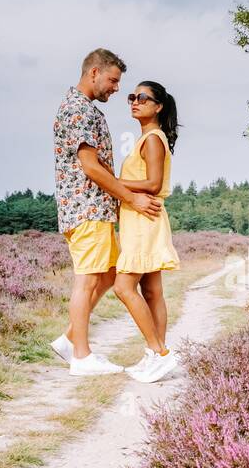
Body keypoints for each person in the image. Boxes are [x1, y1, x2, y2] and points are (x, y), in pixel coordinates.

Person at [49, 48, 162, 376]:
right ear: (93, 73)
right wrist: (133, 198)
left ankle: (71, 339)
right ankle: (82, 357)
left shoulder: (84, 109)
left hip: (95, 209)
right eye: (113, 81)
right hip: (87, 208)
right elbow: (91, 168)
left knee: (110, 273)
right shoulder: (78, 110)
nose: (116, 88)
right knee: (86, 281)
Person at [113, 81, 181, 383]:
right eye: (132, 97)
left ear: (158, 106)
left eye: (142, 98)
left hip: (143, 221)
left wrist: (114, 181)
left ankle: (161, 353)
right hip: (142, 219)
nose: (134, 102)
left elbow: (153, 183)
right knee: (152, 291)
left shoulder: (153, 139)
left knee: (123, 287)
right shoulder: (149, 138)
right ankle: (156, 355)